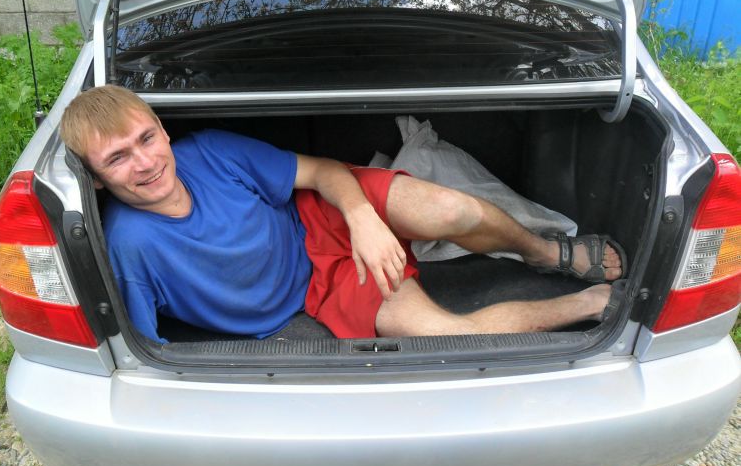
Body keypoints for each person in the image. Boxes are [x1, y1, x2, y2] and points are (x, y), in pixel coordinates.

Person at [60, 85, 625, 343]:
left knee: (451, 209)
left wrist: (362, 219)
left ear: (163, 129)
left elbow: (322, 173)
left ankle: (547, 252)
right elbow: (140, 352)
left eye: (147, 138)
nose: (145, 163)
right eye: (117, 158)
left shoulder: (207, 151)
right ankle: (588, 303)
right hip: (319, 289)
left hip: (315, 216)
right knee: (446, 334)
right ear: (96, 177)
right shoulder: (130, 246)